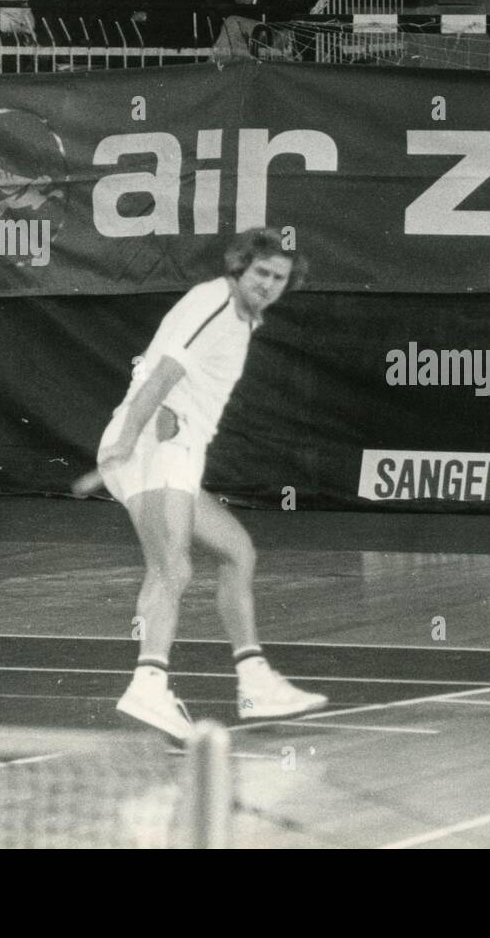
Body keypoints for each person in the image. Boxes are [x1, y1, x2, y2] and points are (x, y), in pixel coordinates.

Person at [96, 227, 328, 741]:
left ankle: (254, 682)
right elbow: (163, 373)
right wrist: (130, 435)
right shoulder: (215, 303)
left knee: (237, 551)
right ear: (240, 269)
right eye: (261, 272)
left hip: (174, 451)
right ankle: (149, 685)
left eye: (279, 277)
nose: (268, 283)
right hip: (154, 442)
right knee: (171, 568)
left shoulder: (243, 321)